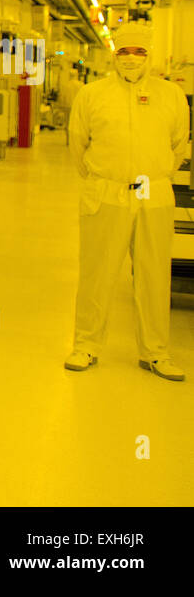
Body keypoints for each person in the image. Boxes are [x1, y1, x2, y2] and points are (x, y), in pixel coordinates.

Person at [65, 23, 188, 381]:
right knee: (97, 272)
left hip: (154, 193)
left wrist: (155, 174)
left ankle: (155, 351)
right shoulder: (93, 94)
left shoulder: (171, 95)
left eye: (138, 52)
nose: (131, 58)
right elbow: (78, 144)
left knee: (154, 275)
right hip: (107, 191)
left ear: (149, 55)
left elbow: (179, 145)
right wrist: (104, 176)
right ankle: (86, 344)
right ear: (114, 55)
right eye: (124, 52)